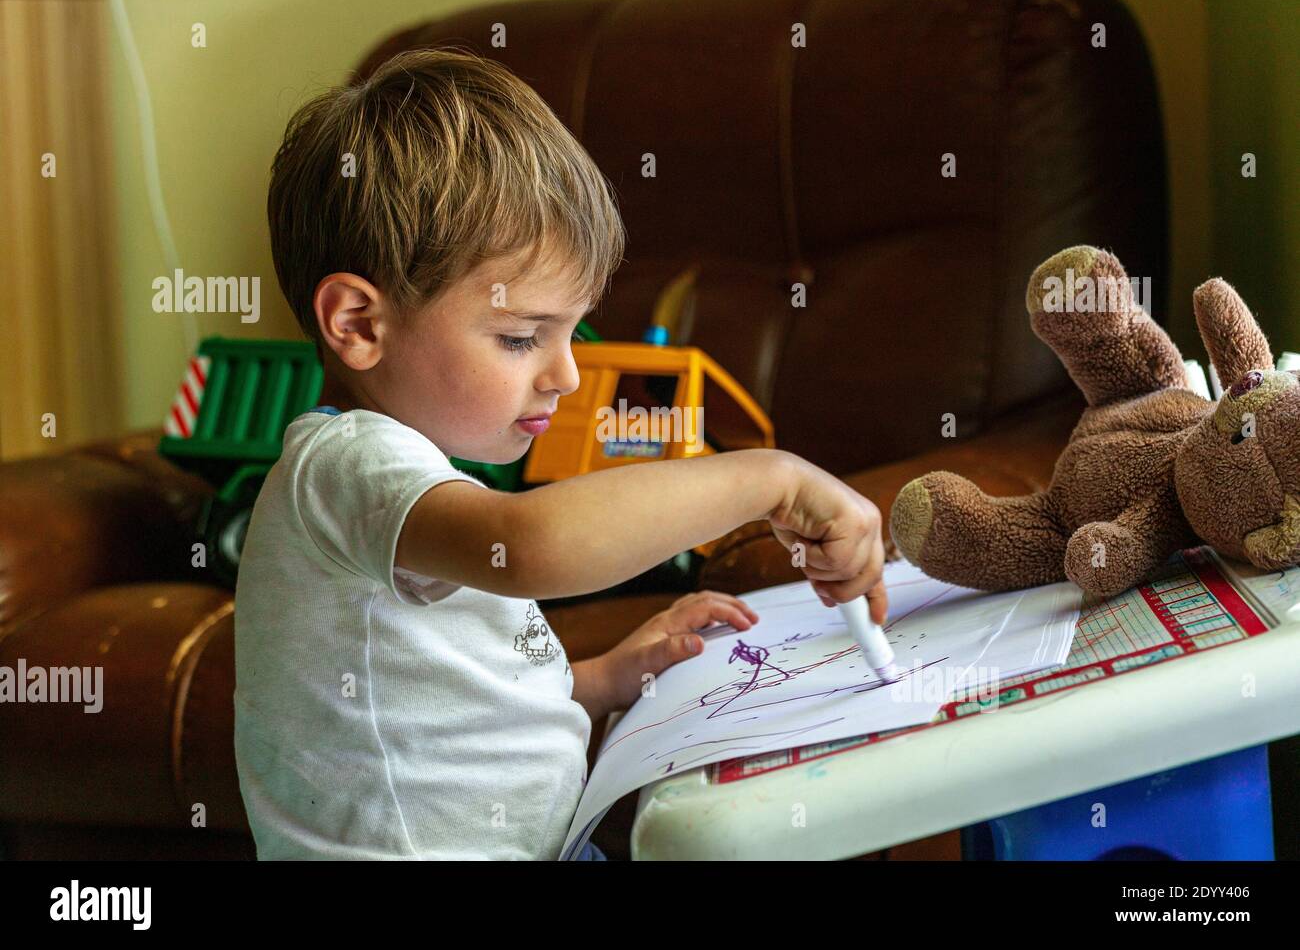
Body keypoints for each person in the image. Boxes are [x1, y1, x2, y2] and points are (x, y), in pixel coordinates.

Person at [233, 47, 888, 860]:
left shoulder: (414, 482)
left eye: (570, 332)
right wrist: (772, 478)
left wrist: (603, 675)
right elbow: (535, 547)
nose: (568, 374)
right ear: (360, 326)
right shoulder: (345, 465)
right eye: (520, 337)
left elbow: (450, 700)